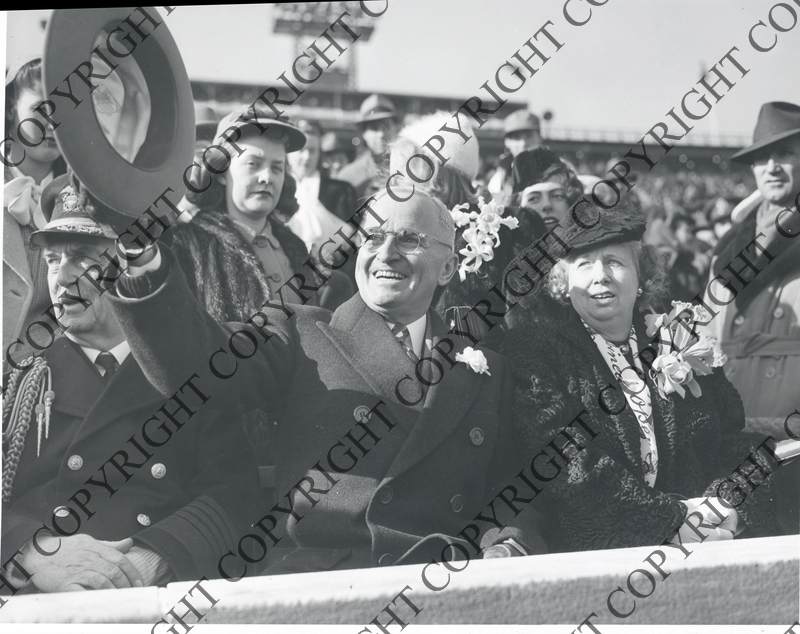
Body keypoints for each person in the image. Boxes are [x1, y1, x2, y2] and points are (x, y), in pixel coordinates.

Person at [109, 188, 547, 575]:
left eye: (409, 239)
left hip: (442, 585)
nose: (386, 253)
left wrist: (509, 545)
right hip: (321, 585)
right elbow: (204, 370)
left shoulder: (486, 369)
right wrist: (145, 266)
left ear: (448, 267)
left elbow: (511, 491)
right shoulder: (302, 332)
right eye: (373, 238)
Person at [1, 174, 261, 593]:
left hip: (153, 596)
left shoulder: (189, 366)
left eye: (82, 258)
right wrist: (28, 552)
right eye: (52, 260)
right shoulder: (18, 377)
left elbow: (235, 494)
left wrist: (157, 558)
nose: (61, 278)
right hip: (35, 598)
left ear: (129, 266)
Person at [504, 199, 776, 552]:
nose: (600, 275)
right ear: (564, 283)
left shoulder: (677, 338)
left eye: (614, 262)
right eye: (584, 264)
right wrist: (670, 522)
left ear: (641, 277)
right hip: (601, 553)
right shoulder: (539, 349)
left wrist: (726, 506)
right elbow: (566, 465)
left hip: (705, 542)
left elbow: (730, 441)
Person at [711, 101, 800, 535]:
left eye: (785, 154)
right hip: (736, 434)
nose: (772, 166)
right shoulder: (729, 247)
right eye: (762, 157)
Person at [172, 107, 311, 322]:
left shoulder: (296, 247)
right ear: (221, 173)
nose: (267, 177)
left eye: (277, 168)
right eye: (253, 164)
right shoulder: (187, 246)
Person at [3, 58, 67, 370]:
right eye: (41, 108)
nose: (53, 123)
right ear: (11, 107)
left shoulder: (85, 197)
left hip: (48, 378)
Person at [287, 118, 358, 308]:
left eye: (312, 150)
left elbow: (351, 245)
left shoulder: (341, 191)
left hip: (331, 281)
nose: (306, 157)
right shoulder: (278, 190)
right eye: (301, 150)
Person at [337, 94, 400, 200]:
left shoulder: (411, 170)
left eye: (386, 127)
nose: (381, 134)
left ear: (396, 128)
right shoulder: (348, 176)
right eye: (374, 128)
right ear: (364, 133)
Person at [487, 110, 542, 205]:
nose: (523, 143)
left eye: (529, 136)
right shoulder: (498, 177)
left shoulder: (559, 170)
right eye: (516, 137)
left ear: (540, 137)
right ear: (506, 142)